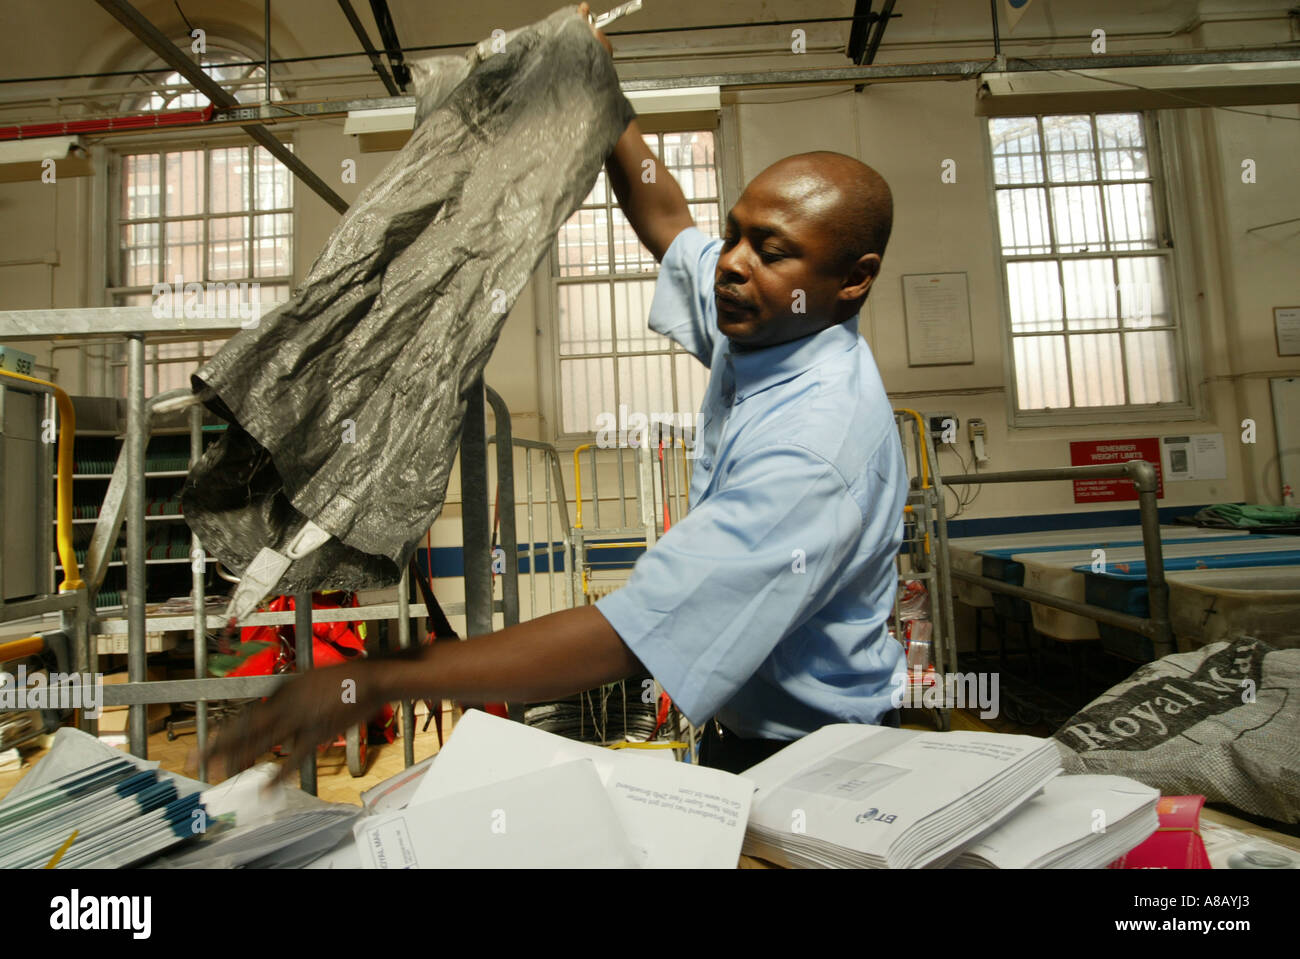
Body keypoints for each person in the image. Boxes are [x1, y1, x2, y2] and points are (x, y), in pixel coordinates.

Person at [212, 10, 906, 779]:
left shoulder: (816, 443)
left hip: (815, 751)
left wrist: (379, 676)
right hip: (745, 724)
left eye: (769, 250)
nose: (730, 265)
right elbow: (669, 218)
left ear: (854, 279)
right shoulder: (774, 321)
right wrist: (597, 85)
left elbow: (634, 633)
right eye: (735, 233)